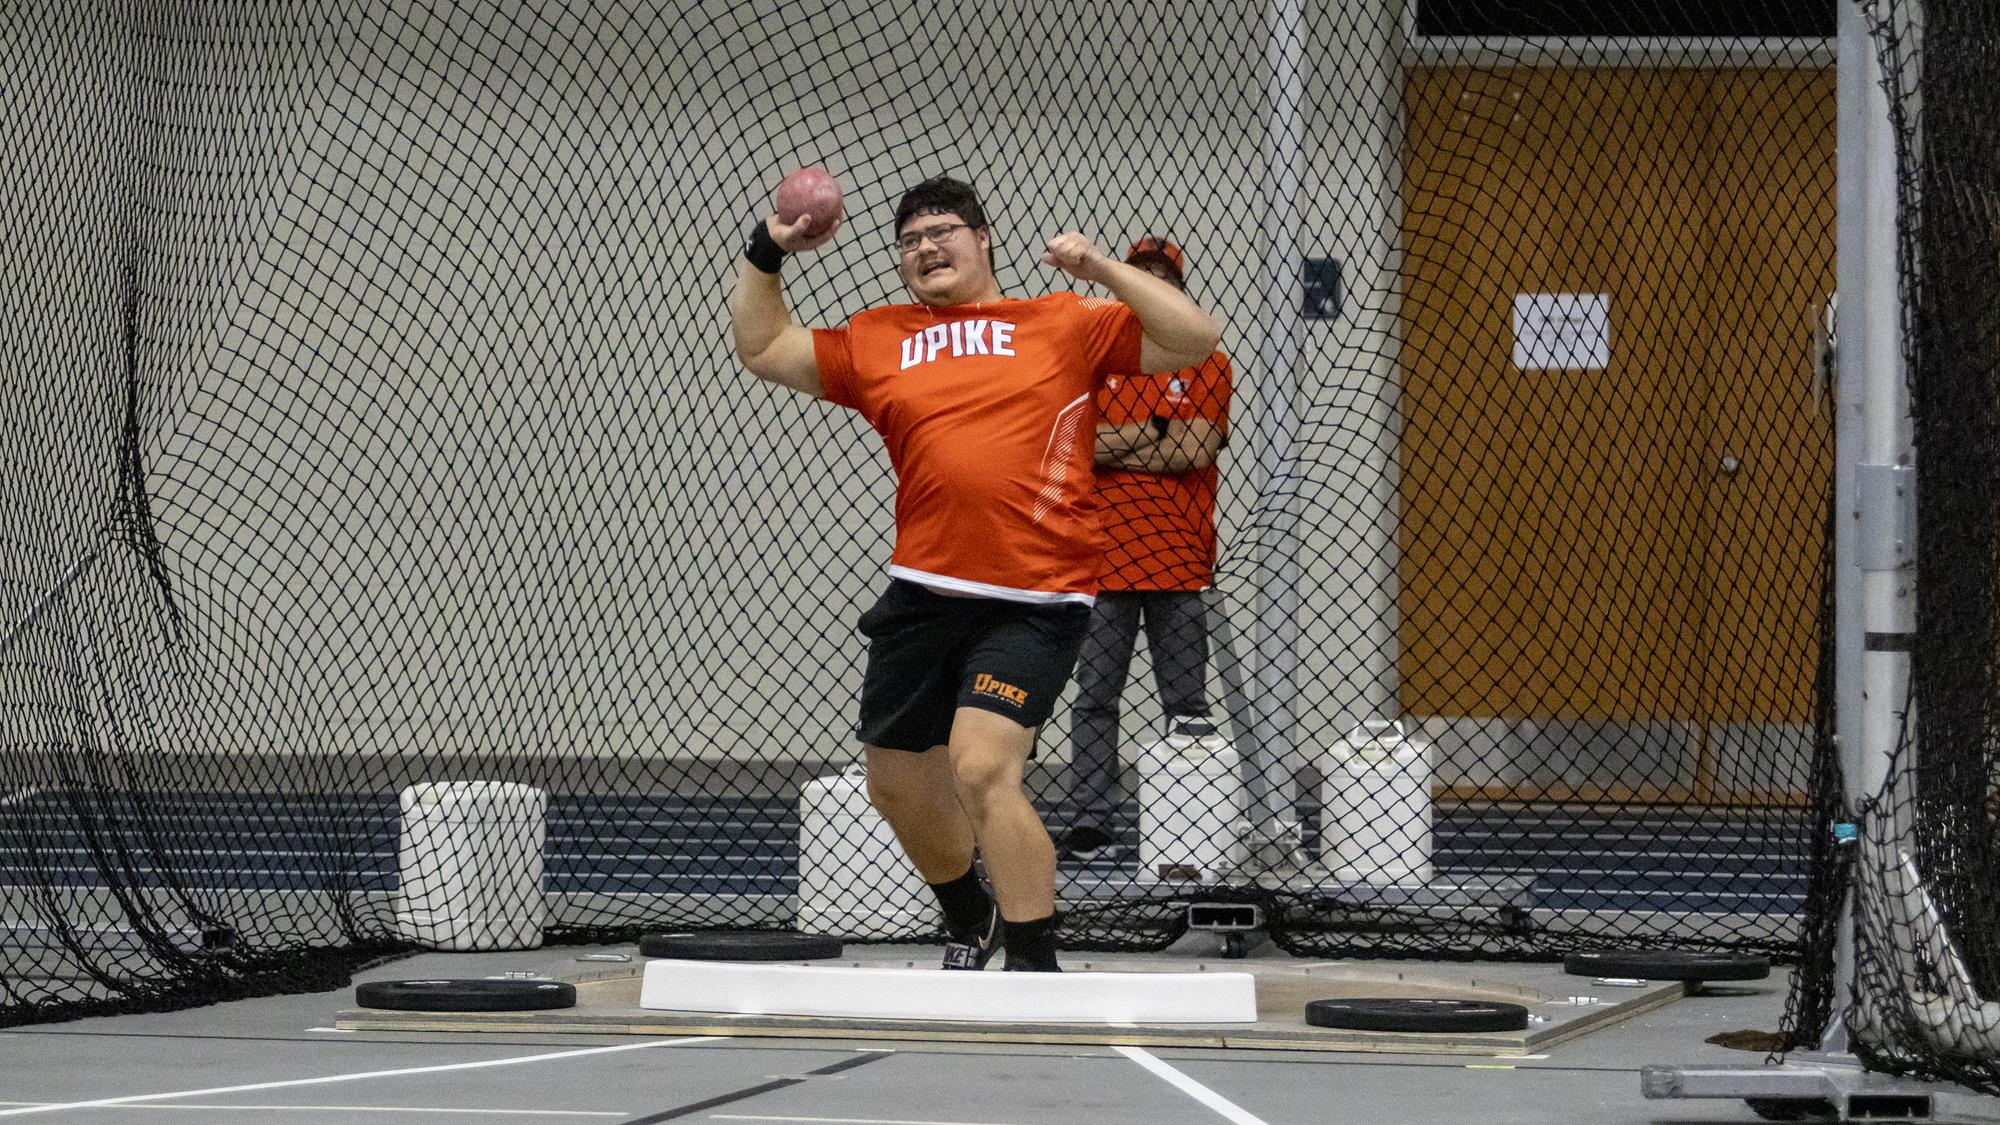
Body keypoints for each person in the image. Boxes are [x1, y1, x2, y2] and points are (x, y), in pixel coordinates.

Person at [728, 177, 1219, 972]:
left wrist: (1098, 267)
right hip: (923, 590)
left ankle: (1034, 964)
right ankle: (972, 913)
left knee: (983, 765)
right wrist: (767, 250)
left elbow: (1194, 337)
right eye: (911, 241)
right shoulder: (880, 336)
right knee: (893, 783)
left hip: (1034, 595)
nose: (926, 248)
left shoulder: (1059, 322)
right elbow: (763, 348)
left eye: (942, 232)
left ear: (984, 238)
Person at [1058, 238, 1232, 862]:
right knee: (1095, 698)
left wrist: (1124, 442)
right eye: (1141, 278)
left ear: (1177, 289)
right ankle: (1092, 822)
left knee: (1186, 703)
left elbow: (1198, 449)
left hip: (1180, 559)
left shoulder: (1207, 358)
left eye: (1163, 279)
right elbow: (1078, 446)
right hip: (1100, 558)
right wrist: (1158, 429)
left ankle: (1192, 825)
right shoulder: (1095, 356)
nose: (1153, 287)